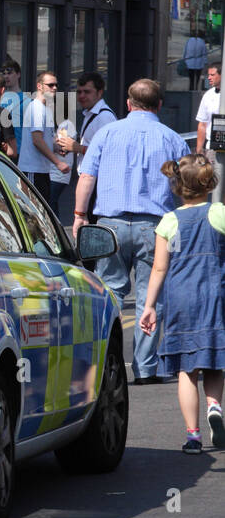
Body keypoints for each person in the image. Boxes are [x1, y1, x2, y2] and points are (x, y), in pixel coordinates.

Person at [73, 79, 191, 384]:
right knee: (151, 299)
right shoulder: (173, 139)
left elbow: (87, 177)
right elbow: (183, 188)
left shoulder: (106, 133)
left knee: (109, 294)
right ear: (160, 105)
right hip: (155, 227)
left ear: (128, 104)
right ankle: (145, 367)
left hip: (110, 224)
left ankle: (103, 364)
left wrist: (79, 215)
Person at [139, 154, 225, 454]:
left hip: (180, 300)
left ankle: (193, 436)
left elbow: (159, 268)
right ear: (209, 182)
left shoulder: (168, 221)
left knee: (187, 370)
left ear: (177, 186)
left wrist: (149, 305)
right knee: (214, 362)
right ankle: (215, 406)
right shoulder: (219, 213)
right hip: (215, 295)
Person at [56, 72, 116, 220]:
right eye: (79, 92)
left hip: (97, 182)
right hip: (90, 179)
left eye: (87, 92)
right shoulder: (90, 114)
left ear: (100, 92)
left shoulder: (104, 117)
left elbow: (110, 153)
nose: (82, 96)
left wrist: (78, 148)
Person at [16, 71, 68, 197]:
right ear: (39, 86)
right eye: (50, 85)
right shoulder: (37, 108)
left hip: (41, 171)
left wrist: (56, 147)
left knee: (42, 213)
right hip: (32, 170)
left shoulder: (45, 108)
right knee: (35, 213)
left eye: (56, 85)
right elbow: (37, 140)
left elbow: (42, 139)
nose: (54, 88)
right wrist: (58, 162)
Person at [194, 61, 222, 200]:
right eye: (208, 75)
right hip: (212, 147)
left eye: (212, 75)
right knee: (210, 185)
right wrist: (200, 150)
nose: (209, 78)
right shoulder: (208, 95)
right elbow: (202, 124)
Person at [0, 59, 29, 162]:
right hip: (1, 151)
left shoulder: (28, 101)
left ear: (18, 74)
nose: (6, 76)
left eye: (10, 73)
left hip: (20, 153)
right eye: (4, 74)